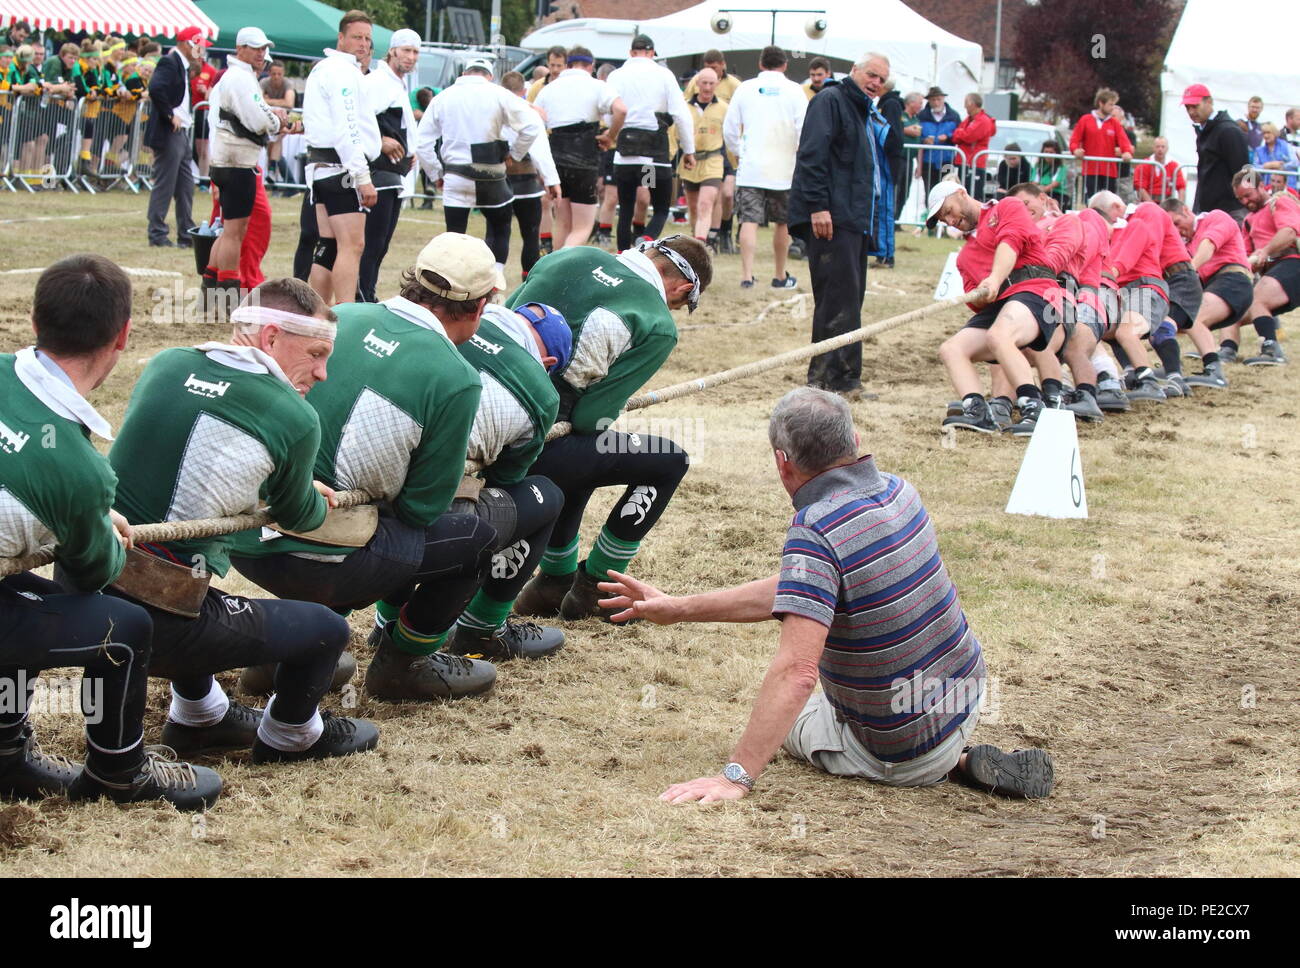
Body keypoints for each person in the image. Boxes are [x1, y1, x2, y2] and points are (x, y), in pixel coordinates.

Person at [599, 388, 1054, 803]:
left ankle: (942, 763)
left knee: (789, 715)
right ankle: (952, 753)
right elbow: (804, 590)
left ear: (783, 462)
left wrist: (734, 778)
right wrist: (677, 608)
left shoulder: (816, 528)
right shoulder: (900, 490)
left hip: (899, 750)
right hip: (966, 694)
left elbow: (798, 673)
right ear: (854, 438)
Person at [105, 278, 379, 764]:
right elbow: (299, 514)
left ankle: (199, 717)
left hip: (90, 584)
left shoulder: (168, 364)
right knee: (326, 632)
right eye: (316, 354)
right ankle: (290, 738)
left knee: (196, 582)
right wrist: (309, 497)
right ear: (271, 338)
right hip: (158, 618)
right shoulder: (293, 416)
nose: (322, 374)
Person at [229, 236, 503, 703]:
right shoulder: (456, 376)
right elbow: (422, 508)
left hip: (242, 536)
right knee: (474, 537)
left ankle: (285, 651)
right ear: (480, 307)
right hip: (317, 557)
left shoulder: (345, 317)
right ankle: (404, 663)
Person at [0, 254, 221, 811]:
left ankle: (5, 754)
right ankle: (119, 774)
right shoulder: (80, 472)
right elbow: (95, 571)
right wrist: (93, 521)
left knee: (26, 596)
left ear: (33, 321)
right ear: (123, 336)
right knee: (122, 626)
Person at [509, 236, 711, 622]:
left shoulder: (571, 255)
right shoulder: (657, 323)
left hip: (485, 413)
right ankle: (596, 587)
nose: (673, 307)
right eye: (679, 303)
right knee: (668, 461)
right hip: (534, 437)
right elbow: (589, 418)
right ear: (683, 287)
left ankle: (554, 579)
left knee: (591, 453)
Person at [447, 301, 573, 659]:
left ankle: (387, 623)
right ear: (548, 364)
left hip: (353, 493)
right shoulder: (541, 390)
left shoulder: (449, 326)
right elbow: (506, 476)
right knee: (542, 495)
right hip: (430, 517)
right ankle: (483, 629)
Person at [789, 53, 891, 398]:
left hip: (853, 218)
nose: (876, 83)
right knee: (836, 299)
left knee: (849, 299)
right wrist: (818, 207)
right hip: (832, 217)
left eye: (882, 80)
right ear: (855, 71)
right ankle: (824, 381)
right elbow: (811, 154)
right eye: (872, 74)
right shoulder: (830, 100)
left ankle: (844, 377)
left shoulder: (861, 109)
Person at [932, 181, 1066, 435]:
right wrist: (982, 296)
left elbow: (1010, 243)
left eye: (948, 211)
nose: (949, 221)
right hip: (1000, 305)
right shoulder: (965, 257)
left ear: (962, 193)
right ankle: (977, 411)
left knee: (999, 335)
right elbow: (977, 304)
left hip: (1035, 289)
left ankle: (1033, 408)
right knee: (951, 349)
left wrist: (994, 278)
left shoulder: (1007, 207)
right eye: (942, 219)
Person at [417, 58, 543, 278]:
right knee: (499, 228)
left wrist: (436, 173)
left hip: (456, 174)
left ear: (464, 73)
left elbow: (422, 143)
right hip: (491, 172)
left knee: (454, 237)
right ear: (489, 76)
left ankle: (452, 283)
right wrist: (514, 154)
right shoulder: (498, 94)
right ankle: (493, 285)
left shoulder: (443, 97)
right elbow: (532, 126)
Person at [206, 27, 292, 316]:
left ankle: (211, 290)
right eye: (255, 48)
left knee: (228, 230)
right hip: (237, 162)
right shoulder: (241, 78)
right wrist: (278, 122)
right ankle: (228, 297)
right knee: (234, 232)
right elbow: (258, 119)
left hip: (226, 161)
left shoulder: (235, 77)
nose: (261, 53)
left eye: (264, 48)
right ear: (240, 48)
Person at [302, 10, 381, 306]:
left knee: (329, 245)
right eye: (356, 37)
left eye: (367, 39)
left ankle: (316, 314)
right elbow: (347, 128)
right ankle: (346, 315)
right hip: (340, 168)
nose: (363, 44)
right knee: (352, 245)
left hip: (321, 169)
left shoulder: (322, 69)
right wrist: (362, 176)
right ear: (341, 38)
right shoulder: (342, 72)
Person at [723, 45, 806, 289]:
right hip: (784, 168)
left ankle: (746, 276)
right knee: (782, 222)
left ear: (761, 64)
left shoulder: (744, 88)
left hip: (751, 167)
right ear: (785, 65)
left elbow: (729, 128)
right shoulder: (795, 90)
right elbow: (804, 130)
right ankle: (780, 275)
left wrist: (740, 152)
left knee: (748, 220)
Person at [606, 35, 696, 252]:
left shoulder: (616, 76)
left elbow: (609, 114)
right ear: (651, 53)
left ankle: (621, 255)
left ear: (631, 52)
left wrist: (612, 134)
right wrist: (689, 150)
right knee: (661, 208)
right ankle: (644, 239)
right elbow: (681, 115)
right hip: (651, 159)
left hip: (624, 157)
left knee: (626, 208)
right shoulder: (663, 75)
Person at [535, 44, 626, 250]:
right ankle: (562, 267)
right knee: (582, 227)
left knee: (563, 224)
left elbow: (535, 124)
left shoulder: (548, 89)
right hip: (584, 157)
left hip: (555, 157)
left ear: (567, 64)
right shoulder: (598, 86)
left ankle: (554, 272)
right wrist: (610, 136)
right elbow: (621, 110)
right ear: (591, 66)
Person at [358, 28, 421, 304]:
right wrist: (380, 140)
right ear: (393, 51)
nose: (410, 57)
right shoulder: (379, 81)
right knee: (372, 242)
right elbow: (359, 118)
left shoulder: (395, 83)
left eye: (415, 52)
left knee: (380, 243)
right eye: (406, 50)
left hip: (394, 174)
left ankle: (366, 293)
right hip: (378, 173)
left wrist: (411, 149)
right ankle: (361, 296)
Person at [1162, 197, 1249, 388]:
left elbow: (1208, 245)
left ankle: (1214, 370)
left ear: (1186, 210)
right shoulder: (1186, 244)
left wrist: (1189, 270)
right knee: (1171, 320)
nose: (1177, 230)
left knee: (1193, 318)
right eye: (1172, 228)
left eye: (1177, 223)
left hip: (1233, 281)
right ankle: (1172, 367)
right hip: (1215, 285)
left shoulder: (1216, 218)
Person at [145, 27, 209, 248]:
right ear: (187, 44)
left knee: (185, 186)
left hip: (179, 132)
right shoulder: (170, 62)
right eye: (199, 46)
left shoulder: (180, 65)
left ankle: (186, 233)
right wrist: (170, 115)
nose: (201, 51)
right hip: (169, 131)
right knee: (165, 185)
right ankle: (157, 234)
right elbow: (155, 88)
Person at [1231, 167, 1298, 365]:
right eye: (1240, 199)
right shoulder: (1248, 221)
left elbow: (1289, 233)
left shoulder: (1279, 202)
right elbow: (1244, 258)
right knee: (1233, 310)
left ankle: (1272, 350)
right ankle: (1226, 351)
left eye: (1248, 195)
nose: (1245, 201)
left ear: (1261, 186)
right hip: (1273, 272)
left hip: (1293, 263)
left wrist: (1266, 251)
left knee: (1256, 299)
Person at [501, 70, 561, 280]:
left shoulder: (496, 111)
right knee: (530, 235)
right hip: (526, 181)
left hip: (500, 181)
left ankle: (494, 276)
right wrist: (552, 181)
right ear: (524, 91)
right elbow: (541, 150)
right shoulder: (528, 112)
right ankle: (529, 279)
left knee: (498, 233)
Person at [1182, 83, 1250, 221]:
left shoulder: (1228, 131)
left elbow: (1242, 171)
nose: (1191, 112)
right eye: (1187, 107)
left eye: (1195, 106)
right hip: (1209, 209)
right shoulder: (1206, 130)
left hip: (1230, 211)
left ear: (1209, 102)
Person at [679, 68, 728, 248]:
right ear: (697, 84)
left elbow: (731, 134)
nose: (707, 87)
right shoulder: (685, 107)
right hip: (689, 160)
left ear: (717, 84)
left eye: (711, 83)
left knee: (705, 203)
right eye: (704, 83)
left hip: (713, 160)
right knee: (693, 207)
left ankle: (701, 244)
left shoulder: (724, 108)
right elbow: (675, 132)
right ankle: (695, 240)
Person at [1068, 88, 1132, 202]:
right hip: (1091, 170)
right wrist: (1075, 150)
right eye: (1110, 104)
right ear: (1101, 103)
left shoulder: (1114, 123)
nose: (1112, 107)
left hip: (1109, 171)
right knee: (1091, 201)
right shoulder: (1085, 120)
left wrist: (1127, 152)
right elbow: (1074, 140)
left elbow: (1124, 141)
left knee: (1108, 203)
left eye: (1114, 104)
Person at [917, 86, 959, 198]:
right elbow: (916, 135)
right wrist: (924, 140)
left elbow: (959, 135)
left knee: (947, 191)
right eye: (933, 100)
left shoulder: (954, 116)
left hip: (946, 160)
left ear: (943, 99)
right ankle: (931, 214)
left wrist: (948, 137)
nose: (936, 103)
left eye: (938, 99)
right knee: (930, 192)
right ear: (929, 101)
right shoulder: (921, 116)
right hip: (928, 161)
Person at [953, 92, 996, 200]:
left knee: (973, 195)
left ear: (971, 103)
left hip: (975, 162)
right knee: (961, 194)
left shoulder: (983, 120)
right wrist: (961, 133)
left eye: (966, 103)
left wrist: (960, 133)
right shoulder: (969, 120)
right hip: (965, 161)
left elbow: (969, 137)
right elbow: (956, 137)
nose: (964, 106)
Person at [260, 59, 296, 186]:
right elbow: (258, 100)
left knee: (277, 141)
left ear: (283, 73)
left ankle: (275, 174)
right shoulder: (264, 82)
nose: (276, 77)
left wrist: (269, 101)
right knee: (274, 149)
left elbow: (289, 103)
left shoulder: (288, 83)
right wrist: (280, 102)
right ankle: (289, 182)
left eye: (279, 74)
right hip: (271, 119)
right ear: (269, 73)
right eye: (274, 74)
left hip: (287, 118)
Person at [1134, 136, 1186, 203]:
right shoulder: (1144, 165)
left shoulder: (1174, 165)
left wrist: (1180, 205)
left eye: (1163, 147)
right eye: (1157, 146)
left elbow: (1181, 187)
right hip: (1147, 202)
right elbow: (1140, 188)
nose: (1160, 149)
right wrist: (1152, 205)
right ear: (1153, 148)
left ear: (1167, 148)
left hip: (1167, 203)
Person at [1253, 122, 1298, 191]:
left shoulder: (1286, 146)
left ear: (1274, 133)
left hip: (1287, 188)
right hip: (1267, 189)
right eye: (1264, 133)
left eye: (1268, 133)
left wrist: (1281, 166)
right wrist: (1266, 166)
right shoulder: (1259, 150)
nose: (1266, 135)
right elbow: (1254, 168)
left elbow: (1295, 163)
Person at [1035, 140, 1071, 209]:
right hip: (1040, 193)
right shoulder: (1038, 166)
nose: (1048, 155)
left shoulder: (1061, 167)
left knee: (1052, 204)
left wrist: (1042, 189)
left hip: (1057, 194)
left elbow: (1055, 184)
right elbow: (1034, 182)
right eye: (1046, 152)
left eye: (1051, 152)